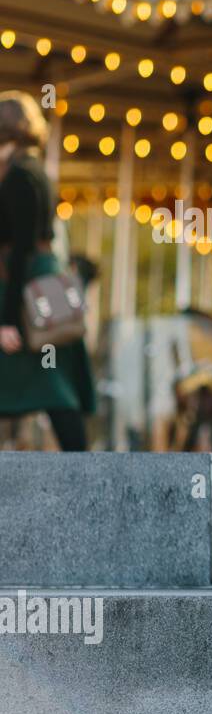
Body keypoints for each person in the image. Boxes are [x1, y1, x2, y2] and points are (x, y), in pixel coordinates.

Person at [0, 91, 96, 450]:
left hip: (25, 289)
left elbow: (21, 248)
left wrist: (8, 321)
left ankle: (82, 465)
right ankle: (83, 465)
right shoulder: (34, 172)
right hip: (44, 287)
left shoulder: (19, 177)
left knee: (53, 385)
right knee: (54, 383)